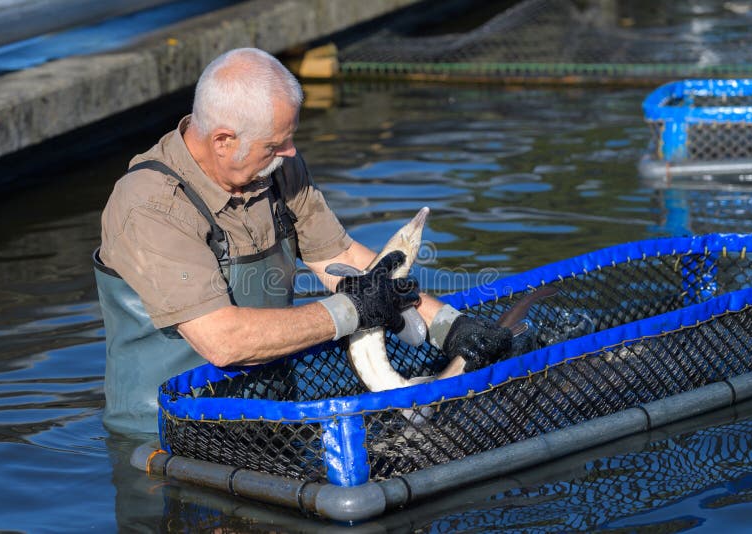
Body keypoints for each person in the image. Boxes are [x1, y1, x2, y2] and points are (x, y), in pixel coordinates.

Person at [94, 47, 511, 436]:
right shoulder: (150, 206)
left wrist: (451, 327)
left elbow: (340, 257)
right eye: (275, 144)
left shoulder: (275, 168)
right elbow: (223, 341)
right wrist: (351, 310)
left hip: (269, 417)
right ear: (223, 141)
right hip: (165, 433)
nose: (291, 153)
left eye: (290, 138)